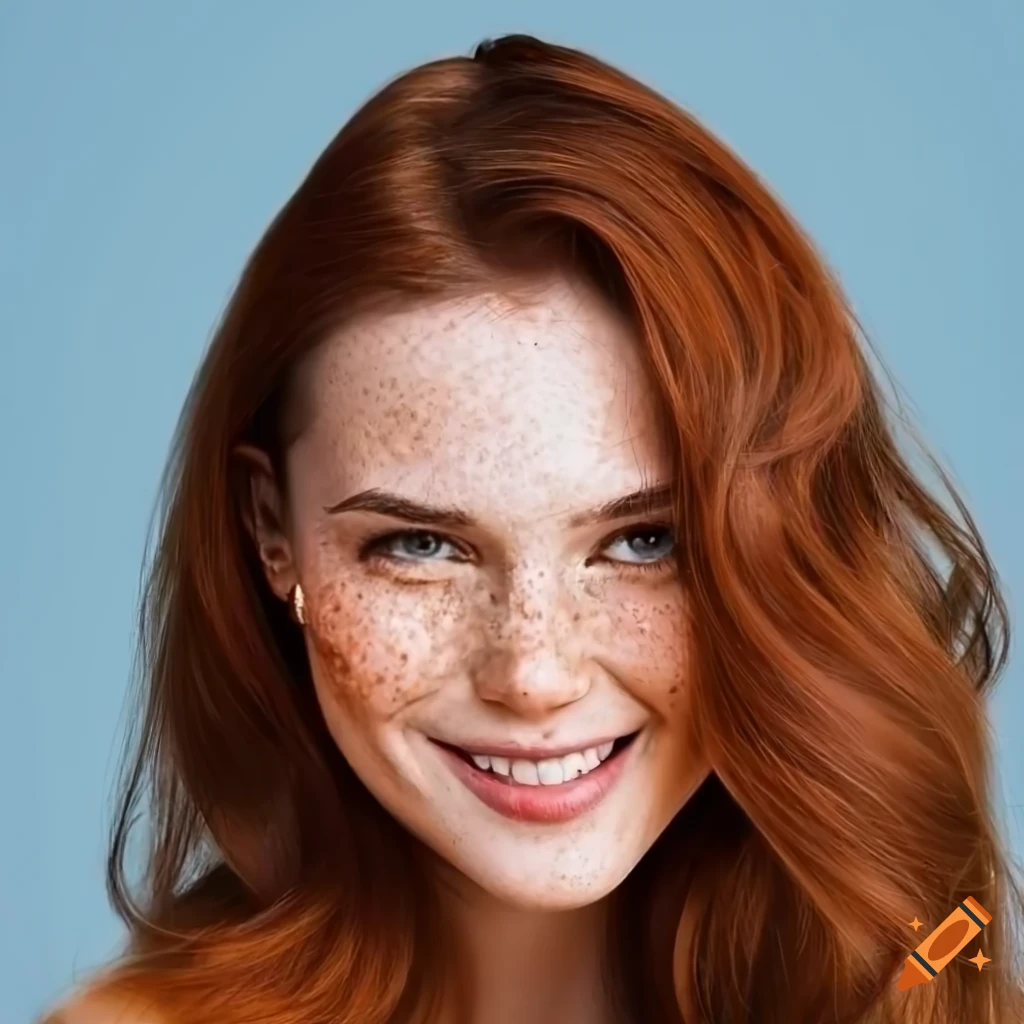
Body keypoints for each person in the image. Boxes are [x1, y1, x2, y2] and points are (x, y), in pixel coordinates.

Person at [46, 33, 1021, 1024]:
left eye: (645, 540)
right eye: (420, 546)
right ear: (271, 531)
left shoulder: (923, 978)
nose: (533, 675)